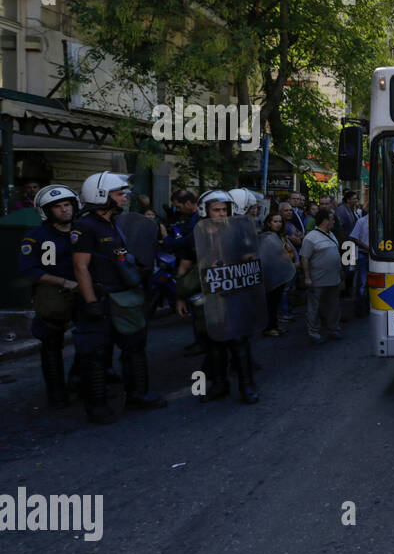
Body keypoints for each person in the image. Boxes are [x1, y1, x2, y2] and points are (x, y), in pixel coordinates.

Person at [70, 171, 167, 423]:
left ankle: (137, 395)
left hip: (123, 298)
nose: (124, 198)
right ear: (101, 195)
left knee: (134, 347)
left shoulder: (113, 222)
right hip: (101, 299)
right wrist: (91, 302)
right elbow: (81, 267)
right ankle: (97, 406)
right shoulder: (85, 225)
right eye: (119, 194)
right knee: (96, 354)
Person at [173, 190, 261, 404]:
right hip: (209, 297)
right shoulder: (194, 236)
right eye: (217, 210)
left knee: (239, 340)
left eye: (224, 210)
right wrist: (180, 297)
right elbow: (184, 269)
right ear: (205, 211)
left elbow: (250, 259)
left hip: (234, 293)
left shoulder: (238, 233)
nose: (222, 214)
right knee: (214, 343)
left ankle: (247, 386)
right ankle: (219, 385)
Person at [18, 185, 84, 408]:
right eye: (57, 207)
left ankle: (79, 381)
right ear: (47, 211)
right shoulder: (36, 236)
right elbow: (28, 270)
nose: (64, 210)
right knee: (51, 345)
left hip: (84, 292)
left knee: (92, 339)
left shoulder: (83, 230)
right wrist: (62, 282)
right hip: (53, 294)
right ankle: (57, 395)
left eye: (67, 205)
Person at [300, 207, 343, 344]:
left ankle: (333, 328)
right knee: (315, 306)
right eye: (332, 219)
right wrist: (307, 277)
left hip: (333, 278)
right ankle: (313, 332)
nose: (334, 222)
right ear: (325, 221)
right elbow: (305, 258)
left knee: (333, 305)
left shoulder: (331, 234)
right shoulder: (310, 237)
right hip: (317, 279)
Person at [261, 213, 296, 337]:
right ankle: (268, 327)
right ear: (269, 223)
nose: (278, 224)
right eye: (275, 221)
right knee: (270, 302)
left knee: (275, 302)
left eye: (280, 221)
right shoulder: (266, 237)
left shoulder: (279, 236)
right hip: (271, 274)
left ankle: (274, 325)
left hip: (280, 273)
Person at [347, 205, 371, 318]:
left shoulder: (381, 221)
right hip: (364, 255)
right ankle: (360, 309)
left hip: (376, 256)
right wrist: (367, 247)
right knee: (362, 283)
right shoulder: (361, 222)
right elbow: (354, 238)